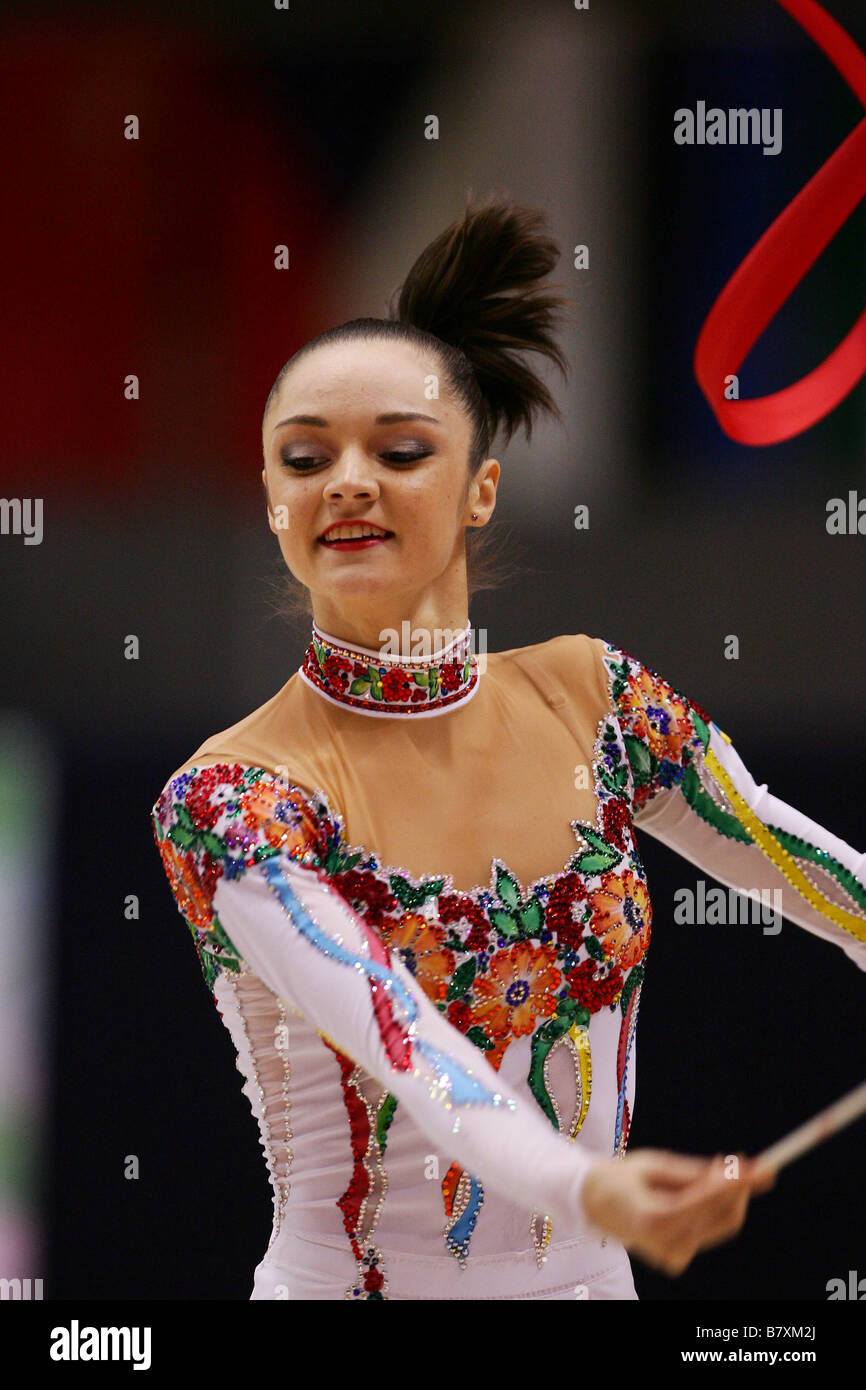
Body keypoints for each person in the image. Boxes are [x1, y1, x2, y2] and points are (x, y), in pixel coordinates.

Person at [150, 195, 865, 1301]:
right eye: (304, 458)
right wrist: (589, 1188)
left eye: (396, 449)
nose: (345, 480)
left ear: (481, 485)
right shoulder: (234, 795)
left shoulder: (593, 700)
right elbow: (397, 1032)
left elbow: (804, 867)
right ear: (271, 502)